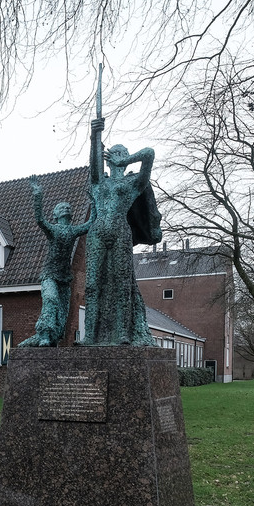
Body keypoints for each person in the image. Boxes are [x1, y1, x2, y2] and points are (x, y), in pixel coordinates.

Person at [81, 130, 162, 346]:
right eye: (114, 154)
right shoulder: (98, 182)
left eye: (121, 154)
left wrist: (126, 159)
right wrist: (95, 135)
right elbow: (94, 164)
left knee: (122, 284)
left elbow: (149, 153)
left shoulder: (133, 183)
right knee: (92, 285)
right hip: (97, 232)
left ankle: (122, 333)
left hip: (120, 231)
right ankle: (90, 335)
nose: (116, 157)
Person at [20, 177, 94, 346]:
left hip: (64, 278)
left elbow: (90, 223)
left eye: (68, 207)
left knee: (63, 311)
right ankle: (44, 333)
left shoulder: (73, 230)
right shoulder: (53, 230)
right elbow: (40, 220)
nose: (66, 208)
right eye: (62, 207)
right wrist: (38, 195)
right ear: (56, 215)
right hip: (50, 276)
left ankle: (52, 339)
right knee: (51, 299)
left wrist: (94, 201)